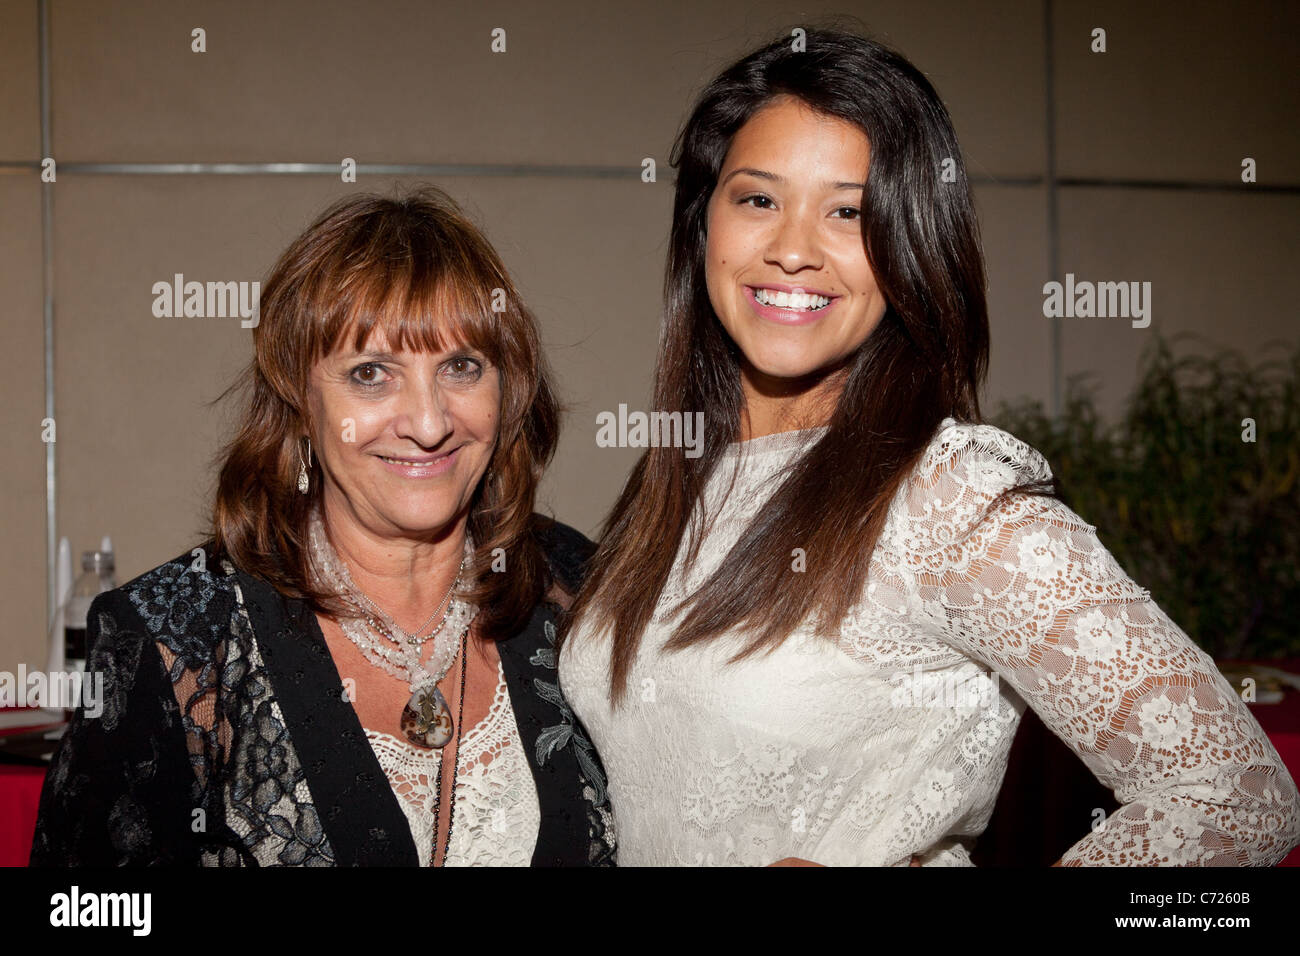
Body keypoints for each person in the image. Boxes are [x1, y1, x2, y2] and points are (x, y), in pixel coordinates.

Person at [557, 29, 1300, 866]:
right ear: (703, 227)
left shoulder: (951, 497)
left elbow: (1241, 801)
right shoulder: (681, 477)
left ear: (910, 245)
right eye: (758, 199)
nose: (793, 249)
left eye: (851, 211)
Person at [31, 187, 615, 867]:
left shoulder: (581, 591)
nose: (428, 423)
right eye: (371, 373)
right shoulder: (173, 642)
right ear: (298, 399)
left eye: (461, 367)